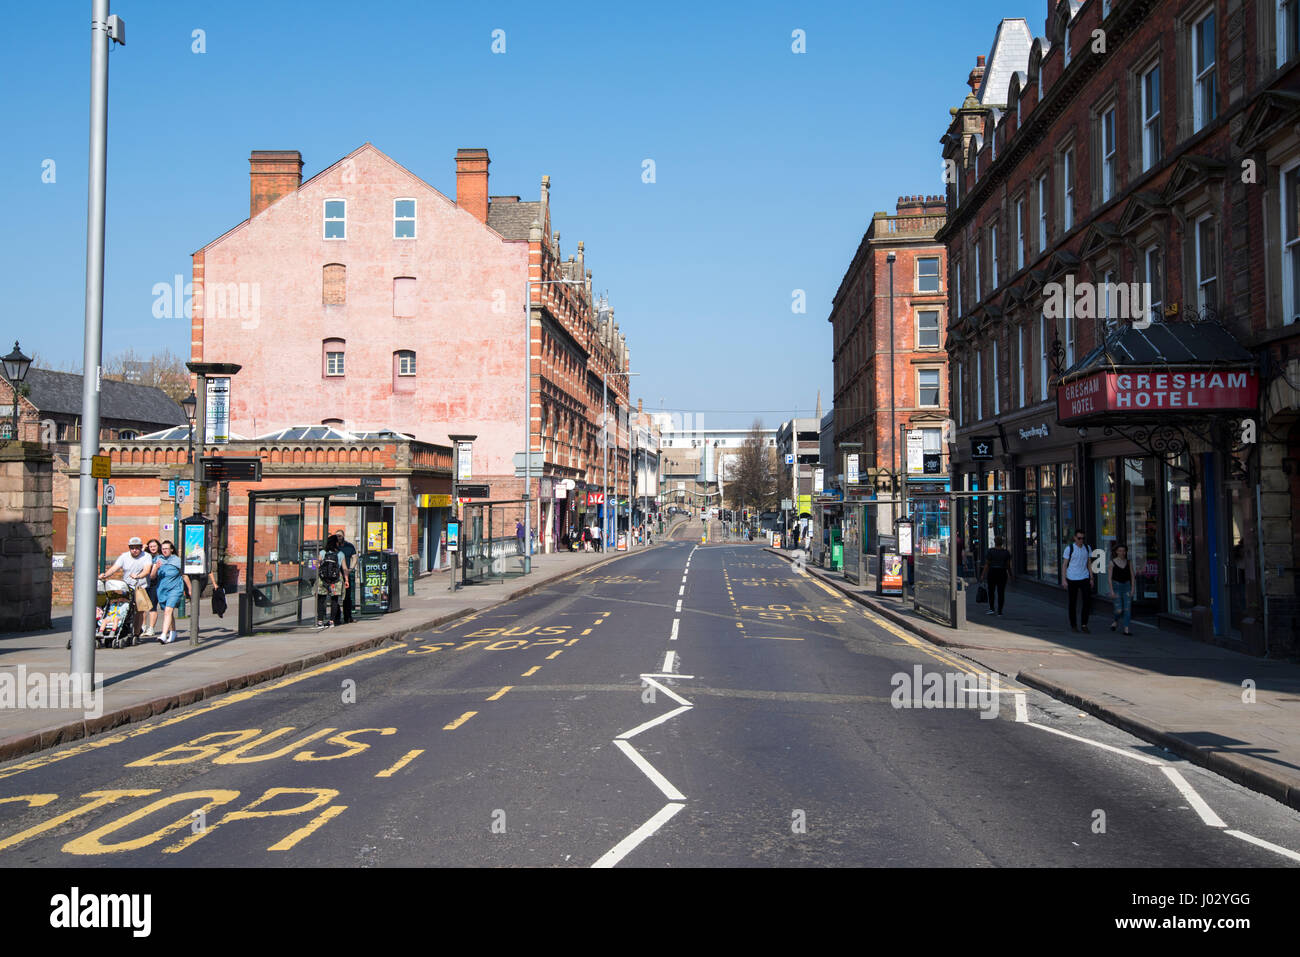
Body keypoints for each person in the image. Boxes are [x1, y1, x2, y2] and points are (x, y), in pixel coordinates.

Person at [99, 536, 153, 637]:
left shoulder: (146, 556)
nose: (135, 550)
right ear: (129, 548)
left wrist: (138, 576)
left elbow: (147, 570)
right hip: (126, 586)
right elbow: (115, 568)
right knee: (123, 606)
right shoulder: (124, 556)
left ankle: (136, 632)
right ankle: (123, 628)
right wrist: (105, 575)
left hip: (140, 586)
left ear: (141, 548)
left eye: (137, 548)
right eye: (132, 548)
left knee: (139, 610)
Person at [148, 539, 190, 644]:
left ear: (171, 549)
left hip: (175, 589)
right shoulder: (158, 559)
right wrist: (156, 568)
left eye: (166, 548)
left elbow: (184, 575)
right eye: (162, 549)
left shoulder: (177, 560)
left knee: (168, 611)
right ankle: (173, 631)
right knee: (168, 613)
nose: (164, 550)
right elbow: (152, 577)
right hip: (162, 590)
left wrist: (190, 589)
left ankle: (163, 634)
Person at [1062, 529, 1096, 632]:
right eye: (1079, 538)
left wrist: (1091, 577)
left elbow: (1089, 563)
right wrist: (1064, 579)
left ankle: (1084, 624)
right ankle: (1073, 625)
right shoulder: (1070, 548)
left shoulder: (1087, 548)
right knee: (1072, 602)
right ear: (1075, 538)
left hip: (1084, 577)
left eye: (1083, 538)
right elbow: (1064, 565)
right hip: (1072, 578)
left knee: (1087, 601)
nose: (1081, 540)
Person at [315, 534, 349, 628]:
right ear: (336, 543)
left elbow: (317, 565)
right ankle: (331, 621)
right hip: (336, 580)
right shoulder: (340, 554)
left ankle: (320, 621)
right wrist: (346, 580)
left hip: (323, 580)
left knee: (321, 600)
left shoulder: (322, 552)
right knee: (334, 600)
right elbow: (345, 568)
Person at [978, 535, 1013, 616]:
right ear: (1002, 543)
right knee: (1001, 592)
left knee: (991, 591)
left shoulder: (990, 551)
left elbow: (987, 564)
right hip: (1002, 572)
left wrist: (983, 575)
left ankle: (991, 608)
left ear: (995, 542)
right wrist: (1010, 575)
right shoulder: (1006, 552)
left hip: (992, 572)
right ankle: (1000, 611)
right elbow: (1008, 565)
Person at [1109, 543, 1133, 635]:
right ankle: (1115, 620)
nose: (1122, 553)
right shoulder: (1112, 563)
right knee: (1119, 609)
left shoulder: (1129, 562)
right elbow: (1109, 578)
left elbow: (1132, 575)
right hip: (1116, 586)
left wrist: (1133, 589)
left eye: (1124, 551)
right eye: (1120, 551)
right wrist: (1111, 590)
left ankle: (1126, 629)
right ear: (1116, 552)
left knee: (1127, 608)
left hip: (1127, 586)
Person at [334, 528, 357, 624]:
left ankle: (348, 617)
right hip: (335, 575)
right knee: (335, 596)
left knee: (347, 597)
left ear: (343, 536)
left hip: (346, 574)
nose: (338, 538)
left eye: (340, 536)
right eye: (337, 536)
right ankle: (337, 617)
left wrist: (350, 569)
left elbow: (355, 558)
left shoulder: (350, 546)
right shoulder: (334, 547)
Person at [142, 538, 162, 637]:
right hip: (144, 583)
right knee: (142, 607)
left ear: (158, 546)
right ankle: (143, 626)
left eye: (154, 546)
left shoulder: (160, 557)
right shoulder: (145, 556)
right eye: (150, 546)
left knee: (152, 606)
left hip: (155, 584)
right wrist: (142, 549)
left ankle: (151, 628)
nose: (152, 548)